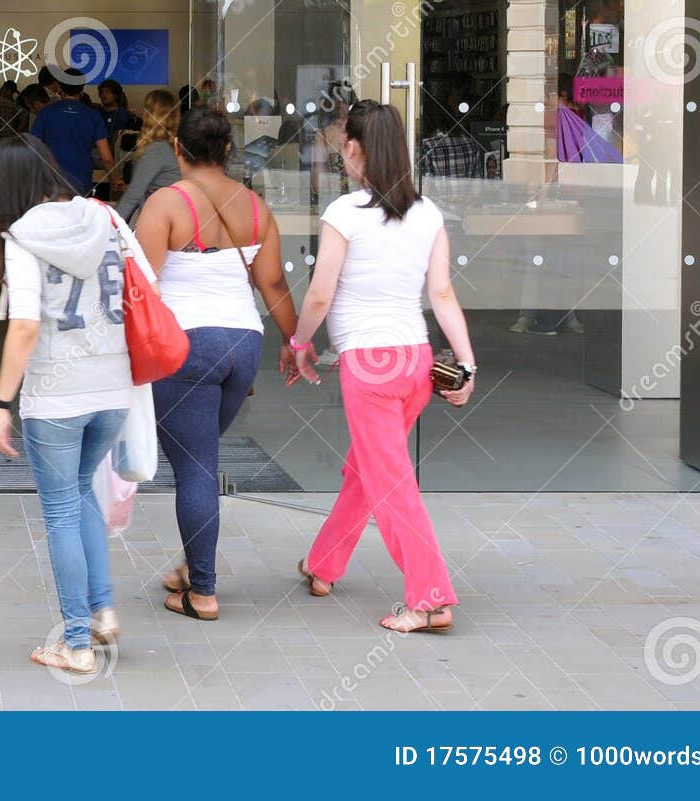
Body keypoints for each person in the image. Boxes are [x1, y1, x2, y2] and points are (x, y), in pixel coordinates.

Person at [289, 100, 477, 634]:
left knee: (391, 483)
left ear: (355, 148)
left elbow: (320, 294)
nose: (342, 151)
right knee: (367, 470)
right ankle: (323, 564)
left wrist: (300, 342)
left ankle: (430, 598)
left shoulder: (344, 213)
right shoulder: (428, 213)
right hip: (415, 360)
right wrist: (466, 363)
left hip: (368, 364)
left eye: (344, 143)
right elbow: (442, 293)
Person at [0, 137, 154, 675]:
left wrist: (1, 401)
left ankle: (76, 643)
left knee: (61, 509)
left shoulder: (21, 236)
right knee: (83, 493)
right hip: (114, 387)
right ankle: (102, 611)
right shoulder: (106, 217)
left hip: (56, 395)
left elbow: (25, 326)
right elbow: (147, 287)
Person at [134, 107, 301, 621]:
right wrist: (294, 340)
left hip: (186, 346)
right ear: (228, 150)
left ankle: (202, 592)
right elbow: (272, 283)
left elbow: (140, 288)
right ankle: (193, 564)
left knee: (195, 468)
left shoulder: (165, 203)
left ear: (177, 149)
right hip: (243, 345)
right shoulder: (255, 206)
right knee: (200, 460)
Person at [28, 68, 117, 196]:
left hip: (50, 179)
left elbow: (32, 148)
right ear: (81, 89)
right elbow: (107, 158)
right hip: (82, 179)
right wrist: (114, 180)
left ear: (60, 87)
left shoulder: (45, 113)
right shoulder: (93, 116)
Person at [115, 87, 181, 224]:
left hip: (158, 221)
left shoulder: (156, 149)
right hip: (169, 219)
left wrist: (107, 225)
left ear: (147, 114)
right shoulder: (171, 146)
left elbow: (132, 197)